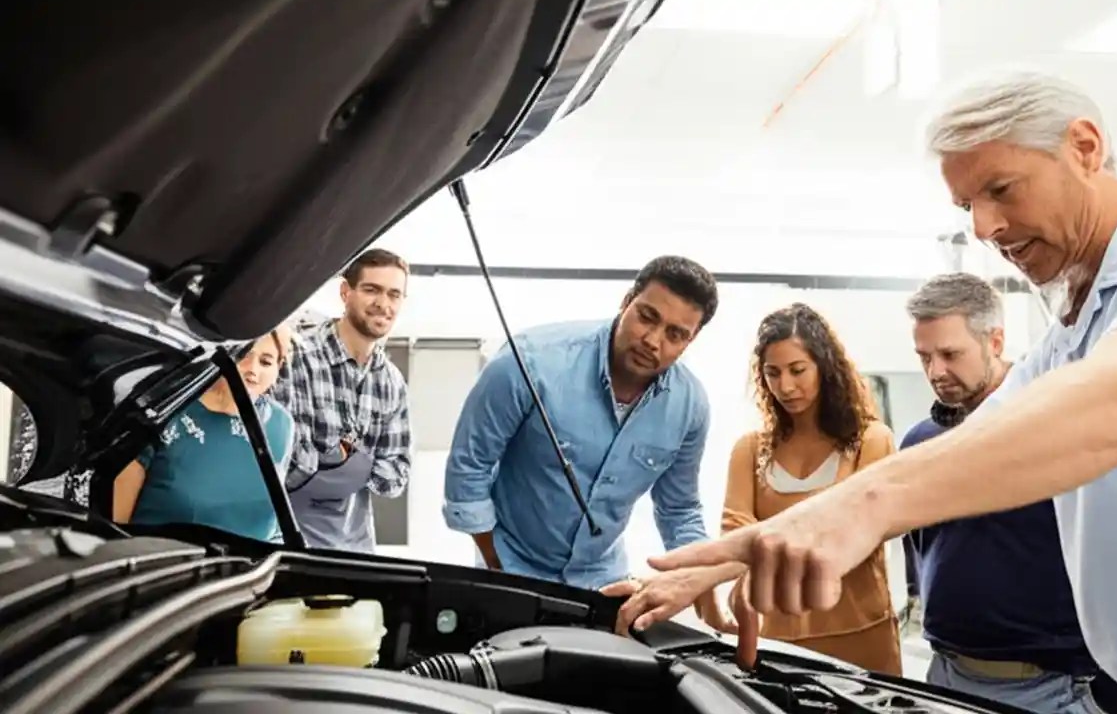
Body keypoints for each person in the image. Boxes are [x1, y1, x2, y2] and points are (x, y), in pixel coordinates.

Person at [629, 69, 1117, 711]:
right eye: (968, 205)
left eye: (1001, 188)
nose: (984, 228)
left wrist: (860, 510)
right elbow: (967, 445)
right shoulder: (1074, 330)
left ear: (1086, 148)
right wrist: (728, 560)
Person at [443, 255, 728, 628]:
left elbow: (679, 511)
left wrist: (705, 593)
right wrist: (495, 565)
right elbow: (470, 468)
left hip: (603, 582)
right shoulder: (528, 361)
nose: (652, 341)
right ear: (626, 301)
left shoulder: (691, 407)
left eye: (675, 334)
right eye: (647, 316)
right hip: (510, 569)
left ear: (691, 340)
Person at [902, 273, 1117, 714]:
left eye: (950, 354)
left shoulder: (1056, 430)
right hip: (944, 679)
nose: (936, 372)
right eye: (924, 357)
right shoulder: (919, 443)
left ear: (995, 341)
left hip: (1056, 691)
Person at [722, 304, 901, 673]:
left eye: (797, 370)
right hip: (776, 641)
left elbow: (855, 532)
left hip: (862, 633)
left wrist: (765, 541)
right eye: (773, 373)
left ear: (825, 367)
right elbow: (733, 535)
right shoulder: (750, 449)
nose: (785, 386)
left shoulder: (871, 440)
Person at [274, 248, 414, 553]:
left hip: (356, 550)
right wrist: (359, 463)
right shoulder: (296, 358)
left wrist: (347, 462)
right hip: (291, 544)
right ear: (345, 292)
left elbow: (397, 476)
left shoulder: (391, 382)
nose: (383, 303)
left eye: (394, 294)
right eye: (371, 290)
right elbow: (289, 463)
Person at [113, 325, 296, 542]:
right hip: (161, 566)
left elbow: (274, 525)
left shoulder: (281, 424)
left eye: (266, 362)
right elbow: (115, 527)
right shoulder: (163, 411)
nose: (252, 371)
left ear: (279, 368)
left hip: (250, 571)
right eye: (242, 356)